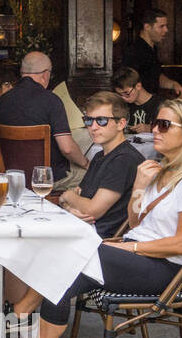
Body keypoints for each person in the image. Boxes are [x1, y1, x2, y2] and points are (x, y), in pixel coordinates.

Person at [0, 99, 182, 338]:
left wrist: (129, 248)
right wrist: (140, 187)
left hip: (164, 270)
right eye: (155, 122)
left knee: (66, 257)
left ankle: (19, 322)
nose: (155, 129)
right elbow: (136, 223)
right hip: (135, 256)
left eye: (164, 125)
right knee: (61, 272)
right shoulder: (161, 171)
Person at [0, 51, 89, 190]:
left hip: (11, 176)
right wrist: (86, 164)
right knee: (95, 175)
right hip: (47, 178)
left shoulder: (3, 100)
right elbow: (67, 148)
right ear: (45, 74)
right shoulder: (51, 100)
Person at [58, 92, 143, 238]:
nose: (93, 127)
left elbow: (92, 210)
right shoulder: (99, 156)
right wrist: (70, 207)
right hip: (81, 228)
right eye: (89, 120)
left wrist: (67, 194)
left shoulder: (124, 160)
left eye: (102, 120)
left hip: (101, 240)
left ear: (121, 124)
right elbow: (76, 195)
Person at [120, 7, 182, 99]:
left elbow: (155, 76)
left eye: (166, 26)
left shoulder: (152, 49)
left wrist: (172, 84)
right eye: (161, 26)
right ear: (147, 27)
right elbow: (128, 85)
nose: (166, 30)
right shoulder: (134, 51)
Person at [113, 66, 161, 134]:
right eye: (120, 95)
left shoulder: (161, 105)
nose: (123, 98)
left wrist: (150, 128)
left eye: (126, 93)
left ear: (138, 86)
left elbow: (173, 130)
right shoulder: (123, 106)